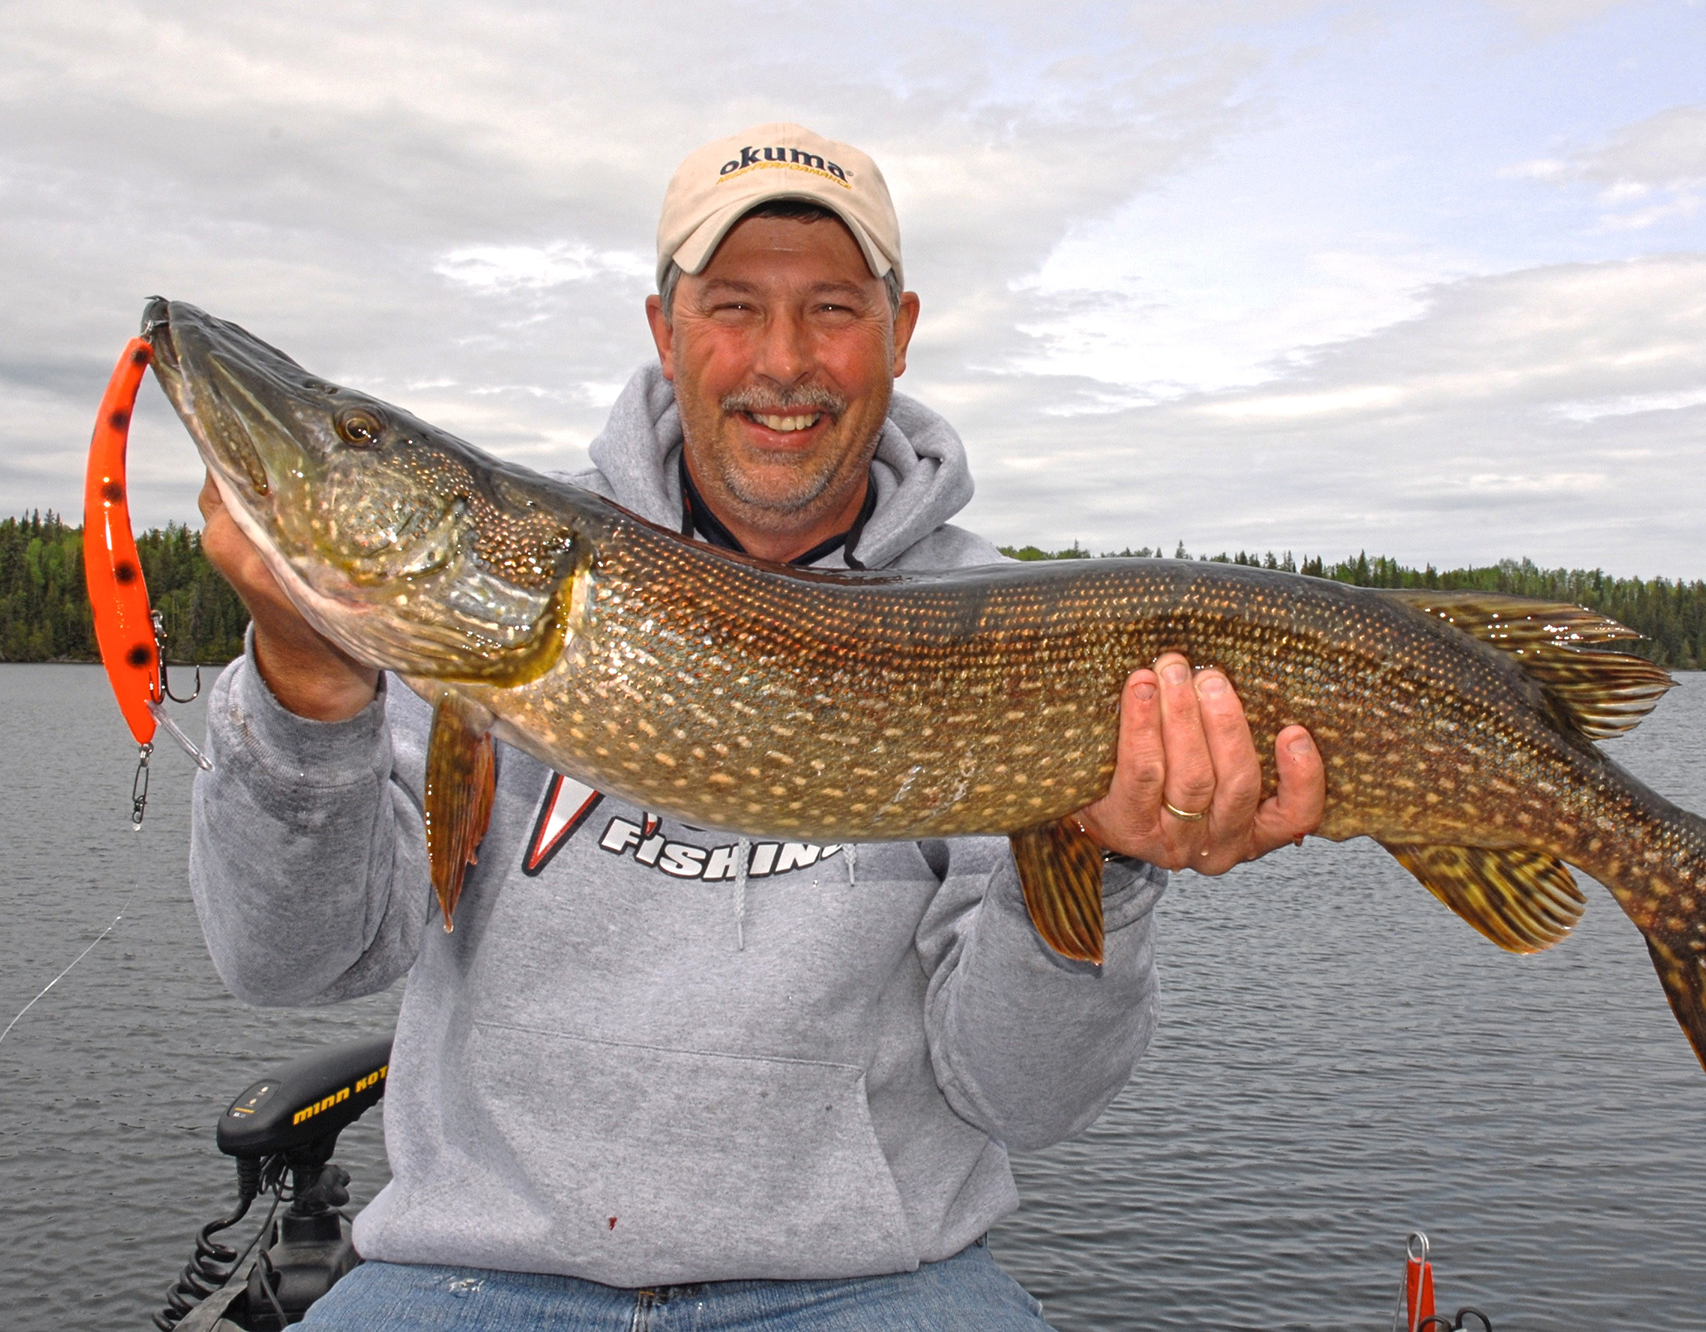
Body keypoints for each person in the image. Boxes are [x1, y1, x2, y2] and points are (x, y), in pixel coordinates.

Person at [191, 122, 1326, 1330]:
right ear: (663, 328)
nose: (782, 361)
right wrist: (310, 685)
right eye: (733, 304)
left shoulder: (1018, 635)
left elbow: (1022, 1095)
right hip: (468, 1271)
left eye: (832, 308)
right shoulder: (482, 608)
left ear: (899, 332)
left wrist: (1105, 861)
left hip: (878, 1283)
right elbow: (293, 963)